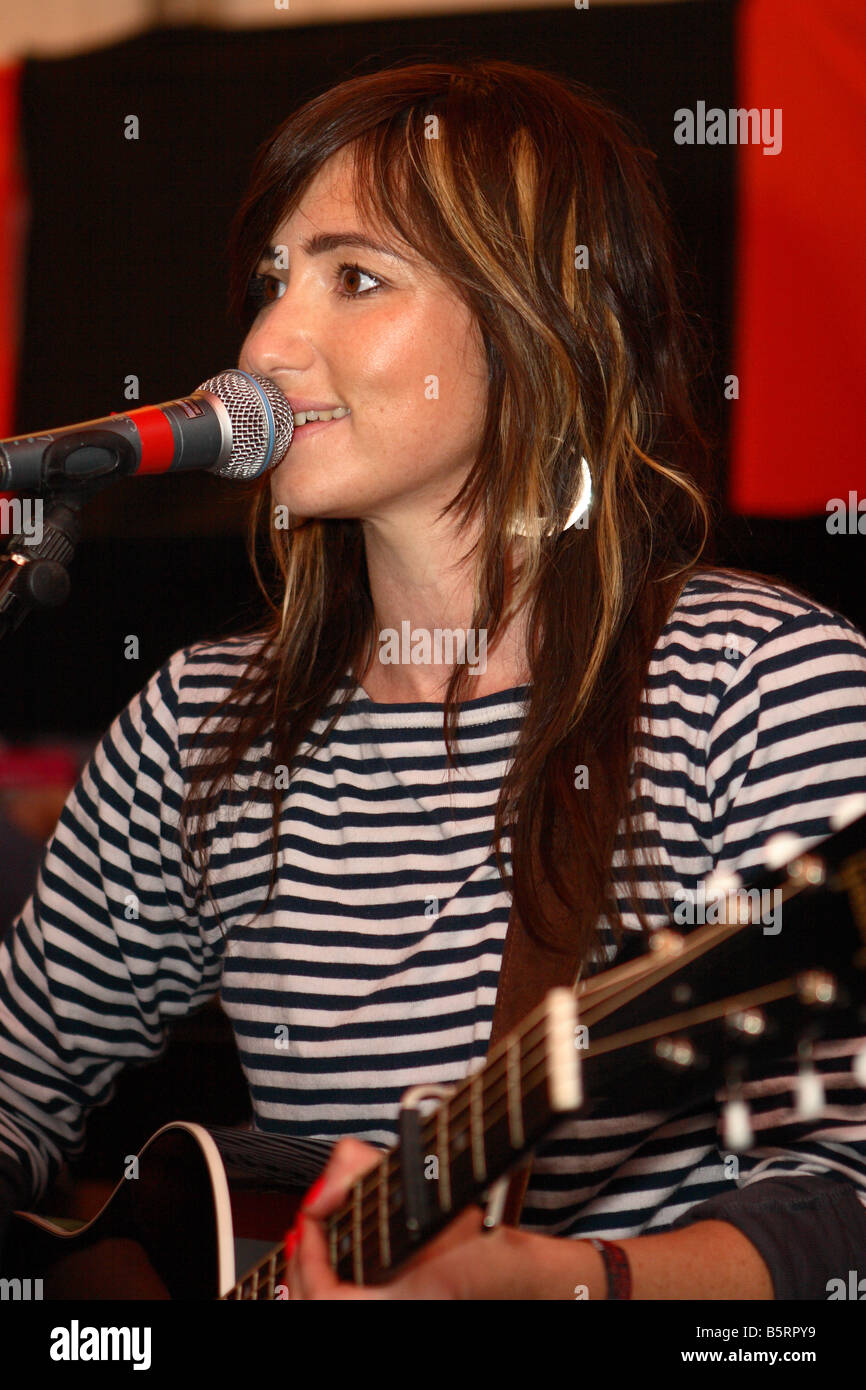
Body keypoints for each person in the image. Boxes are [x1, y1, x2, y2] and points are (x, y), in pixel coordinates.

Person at [1, 59, 865, 1301]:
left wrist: (573, 1284)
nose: (262, 345)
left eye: (355, 278)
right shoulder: (198, 724)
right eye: (270, 282)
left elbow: (845, 1195)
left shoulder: (757, 689)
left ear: (538, 327)